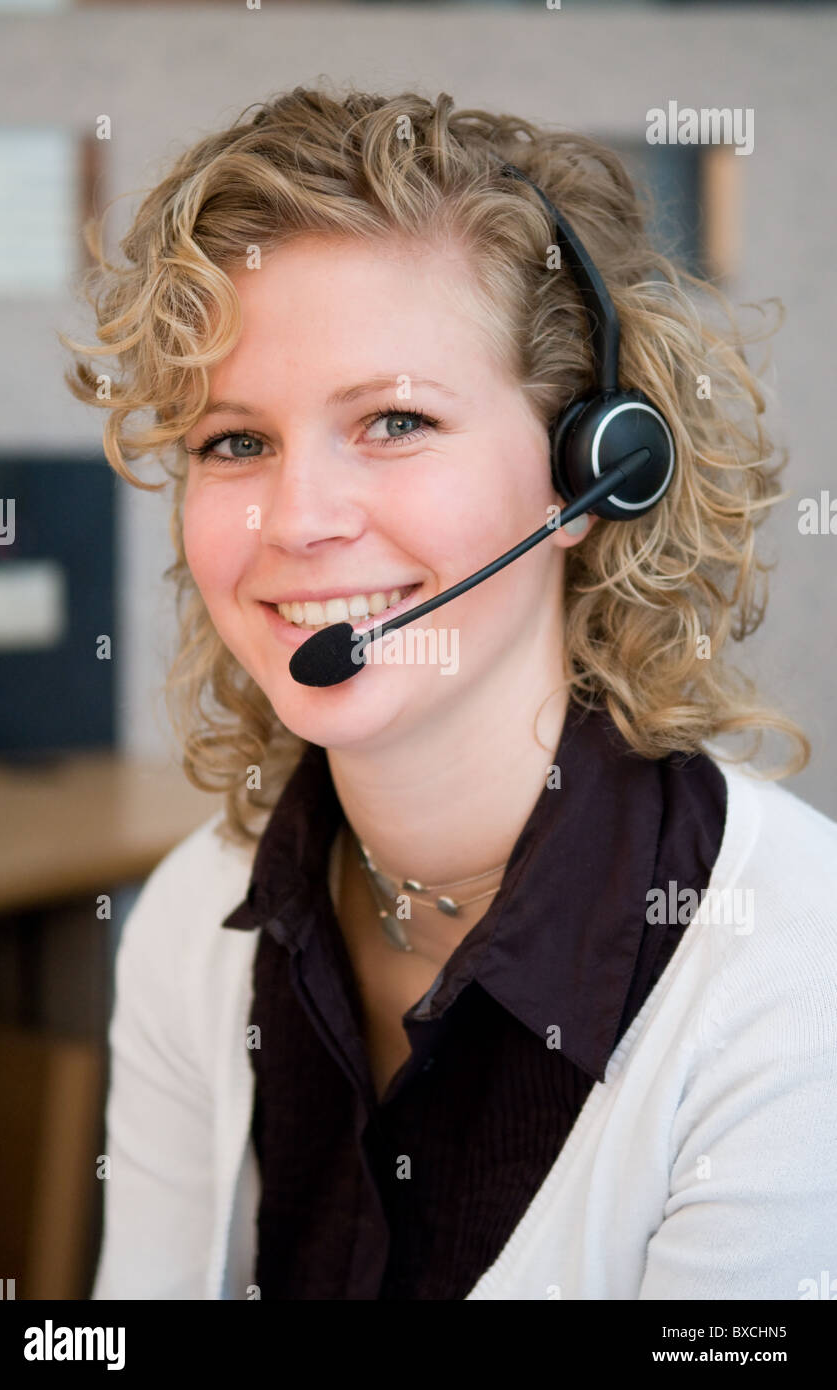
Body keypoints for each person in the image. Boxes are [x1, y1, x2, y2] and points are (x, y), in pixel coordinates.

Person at [63, 85, 837, 1300]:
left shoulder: (791, 976)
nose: (299, 521)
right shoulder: (193, 923)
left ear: (593, 473)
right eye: (234, 441)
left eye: (394, 419)